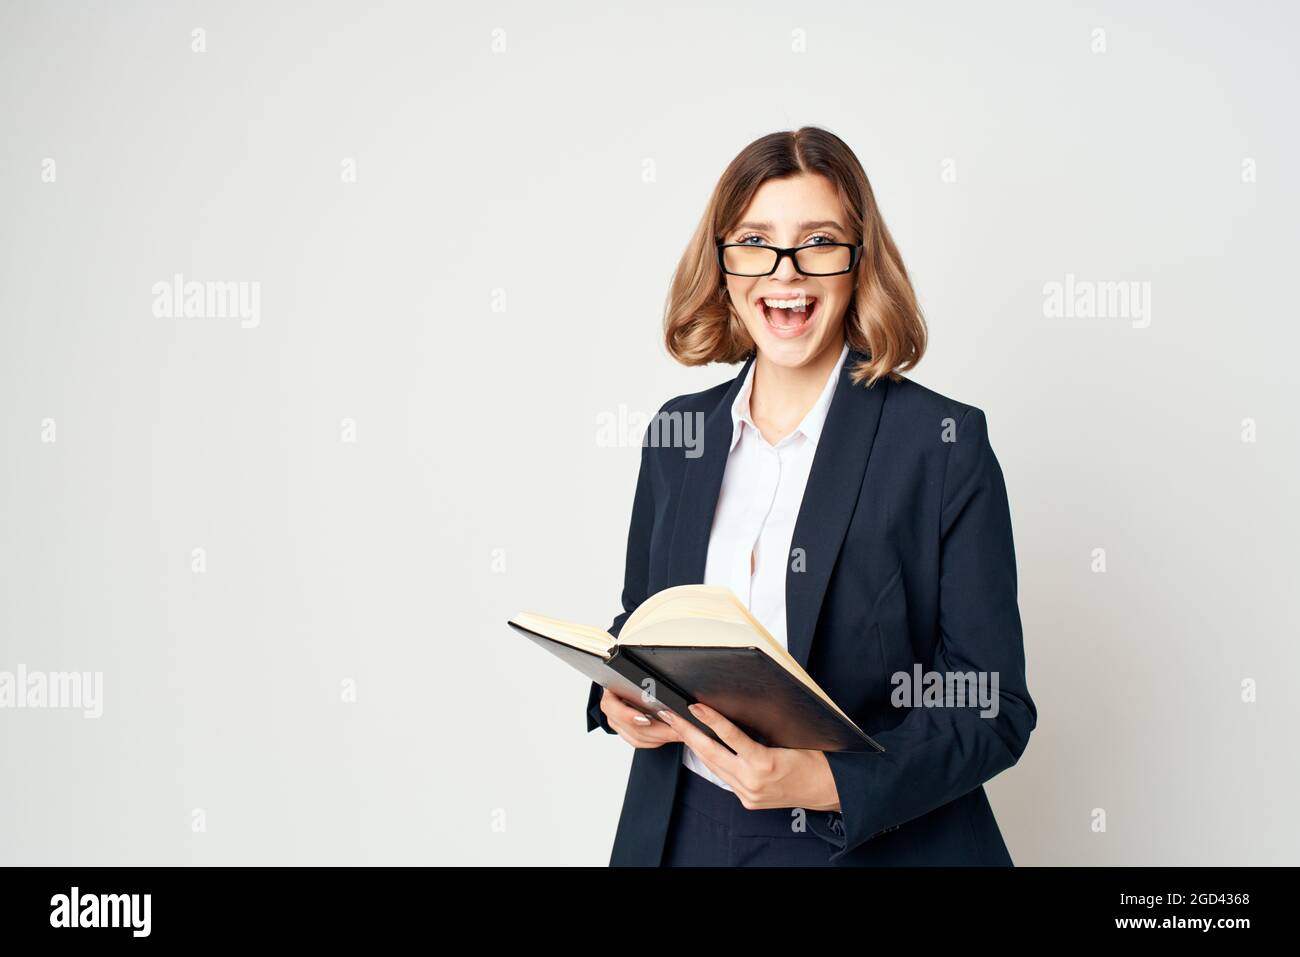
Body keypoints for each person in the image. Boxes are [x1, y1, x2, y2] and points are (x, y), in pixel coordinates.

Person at [586, 126, 1036, 866]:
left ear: (860, 262)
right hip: (683, 833)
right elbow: (644, 620)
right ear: (724, 262)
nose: (784, 273)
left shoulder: (942, 444)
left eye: (818, 240)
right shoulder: (678, 433)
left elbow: (992, 706)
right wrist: (619, 694)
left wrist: (826, 779)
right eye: (756, 241)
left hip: (859, 841)